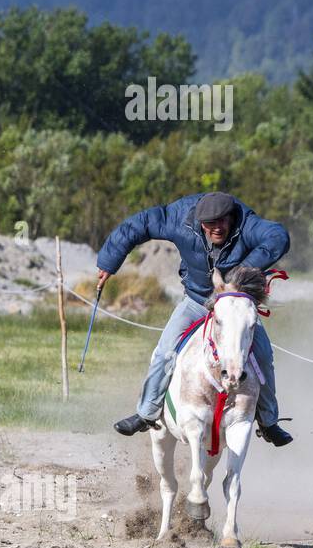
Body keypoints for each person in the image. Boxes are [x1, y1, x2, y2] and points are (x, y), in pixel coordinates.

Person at [96, 191, 294, 447]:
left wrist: (241, 272)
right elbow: (139, 224)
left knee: (263, 356)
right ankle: (146, 414)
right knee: (165, 351)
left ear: (231, 217)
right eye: (211, 224)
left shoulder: (246, 221)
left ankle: (268, 422)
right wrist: (108, 261)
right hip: (197, 301)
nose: (218, 228)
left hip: (234, 305)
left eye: (223, 221)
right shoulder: (178, 217)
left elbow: (279, 236)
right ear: (199, 221)